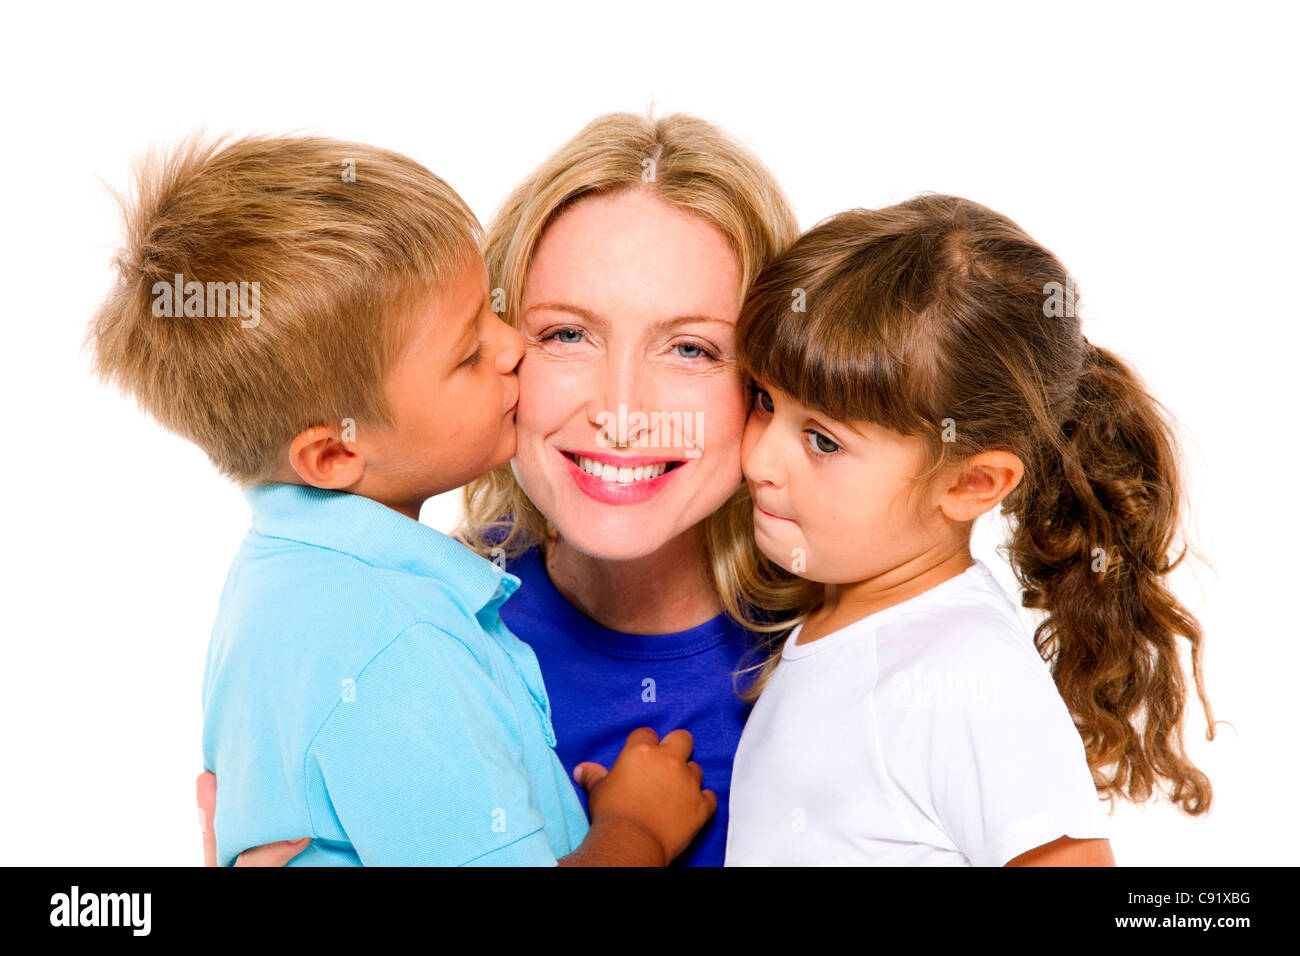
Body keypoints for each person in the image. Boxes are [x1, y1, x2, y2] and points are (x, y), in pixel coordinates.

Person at [90, 133, 714, 866]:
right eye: (469, 353)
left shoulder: (284, 579)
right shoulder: (398, 636)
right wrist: (635, 829)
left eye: (494, 312)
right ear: (335, 454)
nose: (512, 346)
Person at [724, 194, 1215, 865]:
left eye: (823, 441)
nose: (756, 459)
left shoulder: (964, 674)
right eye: (763, 401)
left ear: (971, 483)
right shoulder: (844, 618)